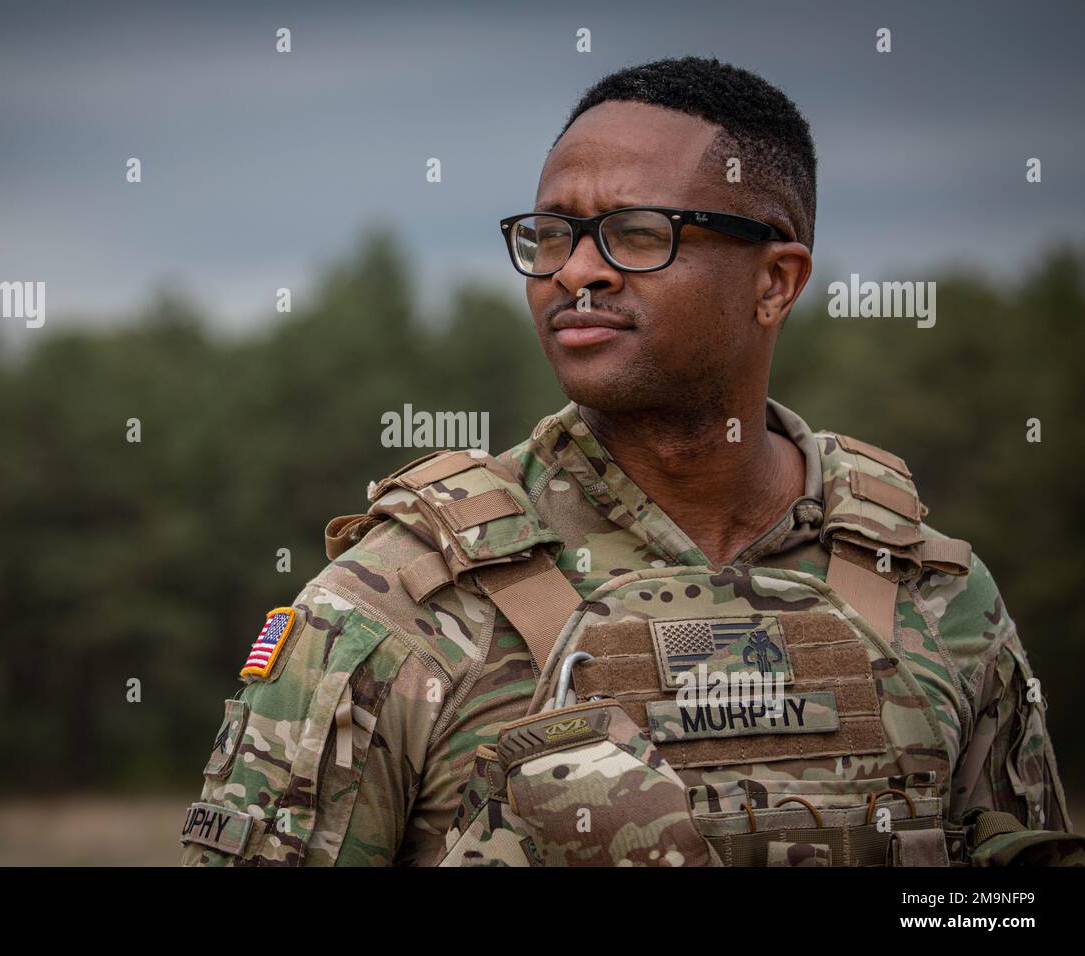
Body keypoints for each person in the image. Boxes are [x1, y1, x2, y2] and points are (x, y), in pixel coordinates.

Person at [180, 56, 1079, 867]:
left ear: (777, 281)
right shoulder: (397, 603)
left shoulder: (933, 592)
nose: (577, 271)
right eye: (552, 234)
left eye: (636, 233)